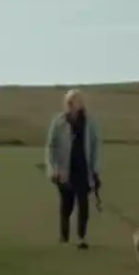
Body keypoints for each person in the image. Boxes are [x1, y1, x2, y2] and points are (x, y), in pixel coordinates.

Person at [44, 89, 101, 249]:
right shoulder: (58, 122)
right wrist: (53, 168)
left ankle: (81, 237)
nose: (69, 104)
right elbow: (51, 147)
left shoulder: (90, 122)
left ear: (80, 104)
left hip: (83, 170)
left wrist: (95, 170)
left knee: (83, 205)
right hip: (64, 169)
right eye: (67, 102)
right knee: (66, 205)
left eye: (73, 101)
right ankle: (64, 236)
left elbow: (95, 146)